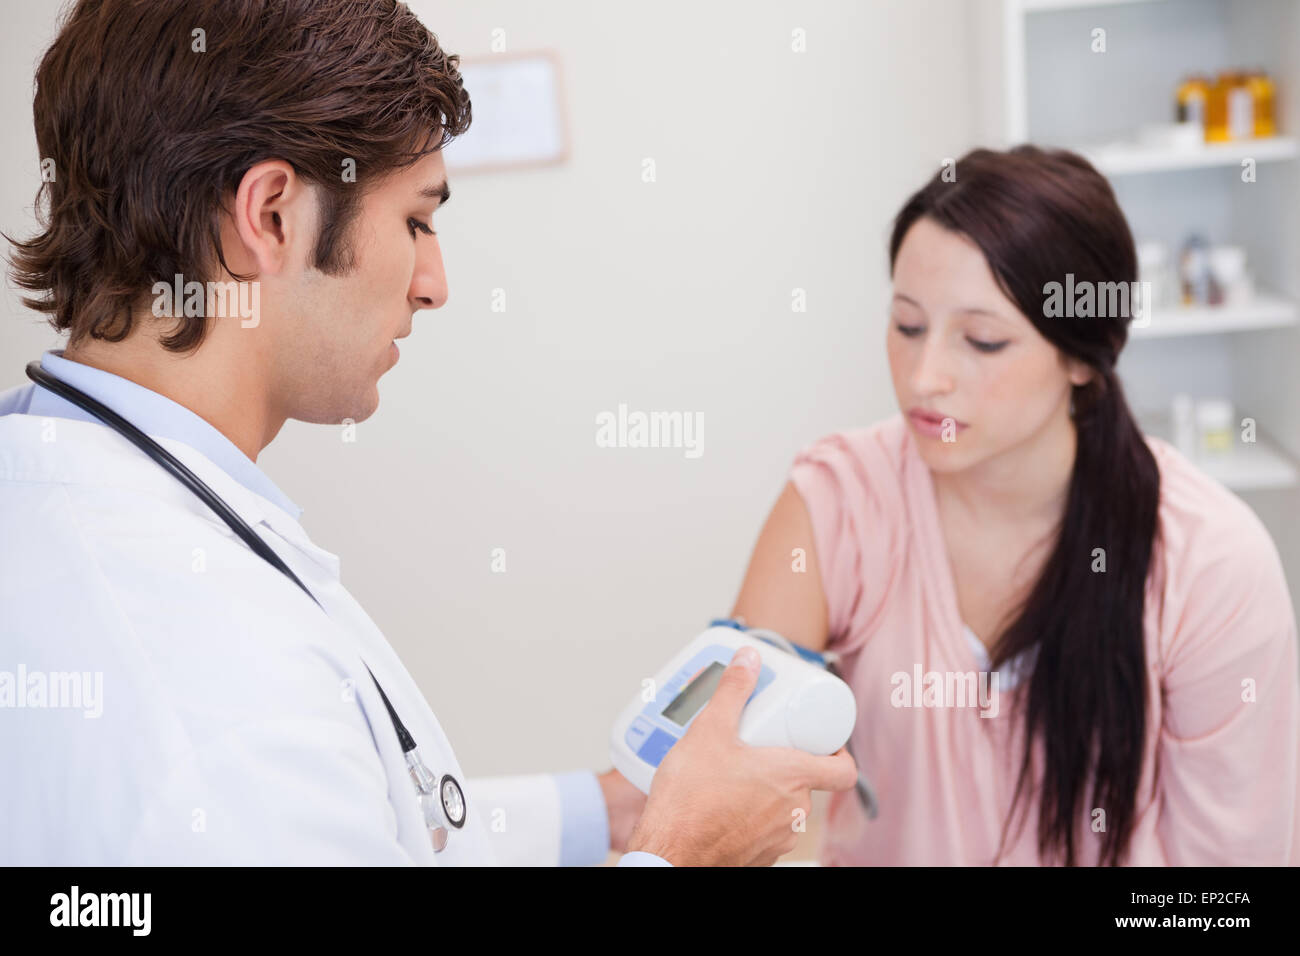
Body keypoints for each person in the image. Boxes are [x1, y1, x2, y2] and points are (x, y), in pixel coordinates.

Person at [0, 0, 855, 867]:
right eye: (416, 221)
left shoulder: (68, 482)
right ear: (270, 216)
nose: (435, 284)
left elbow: (359, 817)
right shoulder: (209, 677)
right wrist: (683, 854)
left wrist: (614, 813)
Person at [732, 145, 1300, 865]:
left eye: (983, 340)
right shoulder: (839, 499)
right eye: (907, 326)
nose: (924, 376)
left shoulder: (1211, 561)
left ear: (1080, 357)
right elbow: (730, 758)